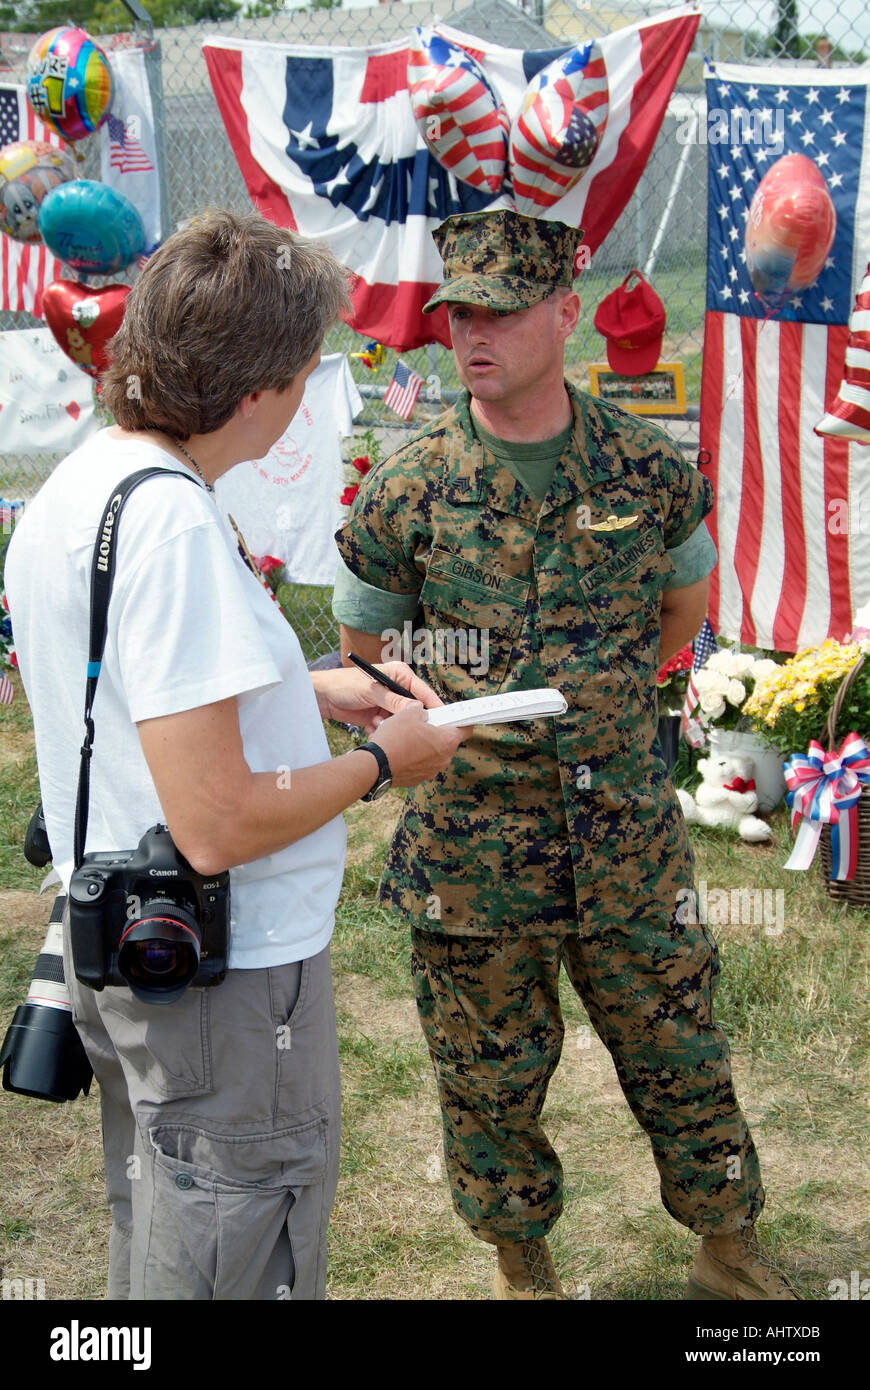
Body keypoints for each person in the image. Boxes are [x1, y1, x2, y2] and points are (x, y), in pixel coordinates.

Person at [332, 208, 799, 1301]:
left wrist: (598, 693)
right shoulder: (409, 488)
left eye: (499, 309)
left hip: (626, 835)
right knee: (488, 1078)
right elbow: (370, 658)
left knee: (681, 1048)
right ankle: (522, 1271)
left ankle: (728, 1250)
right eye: (461, 312)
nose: (472, 332)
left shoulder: (643, 467)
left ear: (564, 312)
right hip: (475, 850)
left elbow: (682, 610)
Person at [4, 209, 469, 1301]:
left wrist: (307, 690)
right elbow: (213, 824)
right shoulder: (169, 528)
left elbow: (127, 696)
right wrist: (386, 761)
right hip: (230, 978)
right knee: (232, 1244)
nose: (308, 391)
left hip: (128, 944)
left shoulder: (90, 484)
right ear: (257, 390)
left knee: (164, 1223)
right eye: (306, 370)